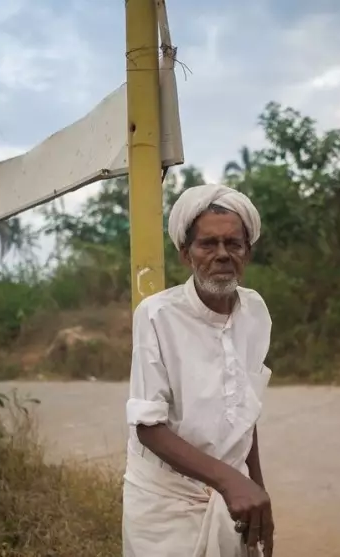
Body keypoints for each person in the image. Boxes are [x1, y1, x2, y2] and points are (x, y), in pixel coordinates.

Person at [122, 184, 275, 557]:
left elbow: (244, 415)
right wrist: (230, 482)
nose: (222, 254)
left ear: (247, 252)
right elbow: (148, 428)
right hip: (165, 502)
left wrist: (257, 491)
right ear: (185, 254)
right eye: (208, 244)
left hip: (231, 499)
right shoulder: (157, 315)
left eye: (233, 244)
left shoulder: (255, 313)